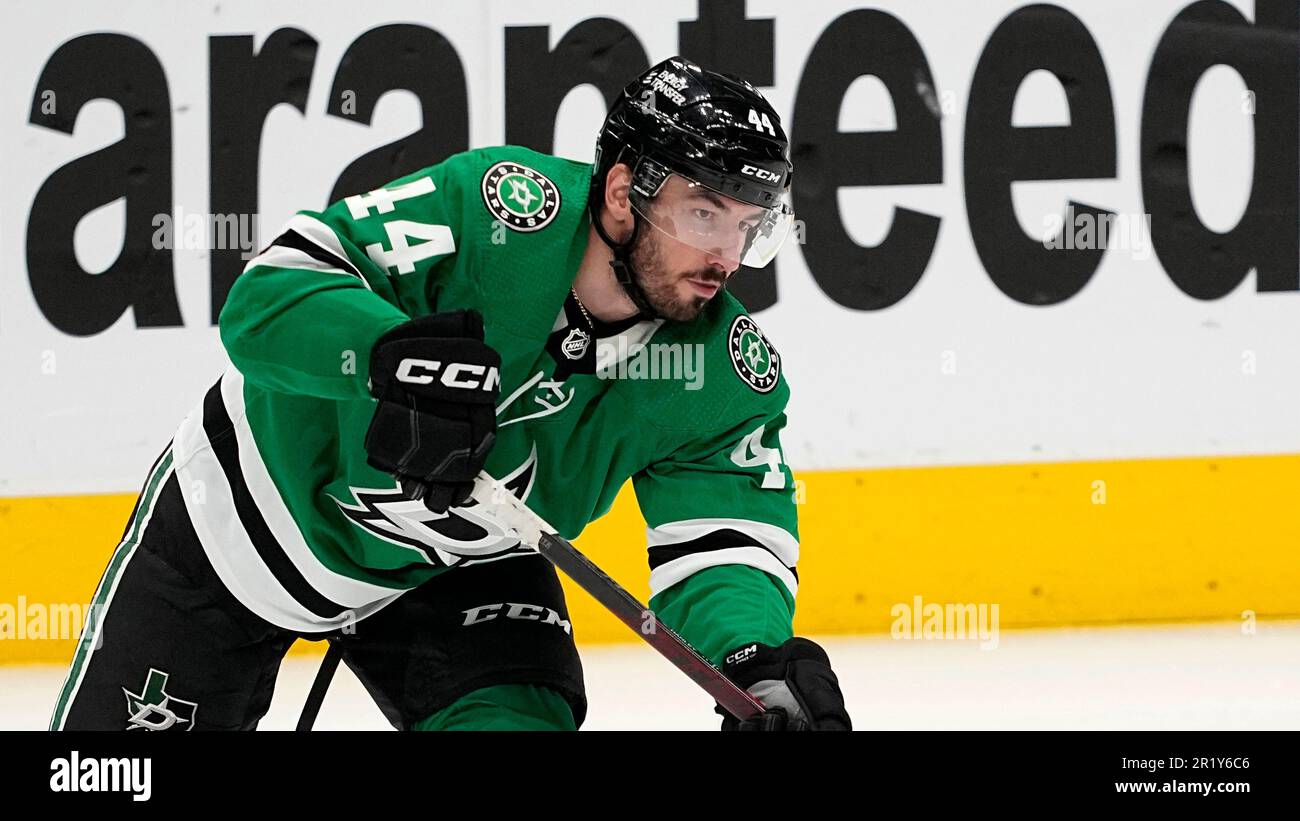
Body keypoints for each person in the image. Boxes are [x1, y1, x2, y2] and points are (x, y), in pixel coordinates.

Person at [50, 56, 850, 731]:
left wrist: (753, 656)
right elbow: (266, 295)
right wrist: (388, 357)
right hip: (249, 524)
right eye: (705, 213)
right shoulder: (497, 213)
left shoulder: (724, 371)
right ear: (619, 193)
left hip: (463, 568)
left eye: (748, 225)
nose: (727, 255)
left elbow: (724, 541)